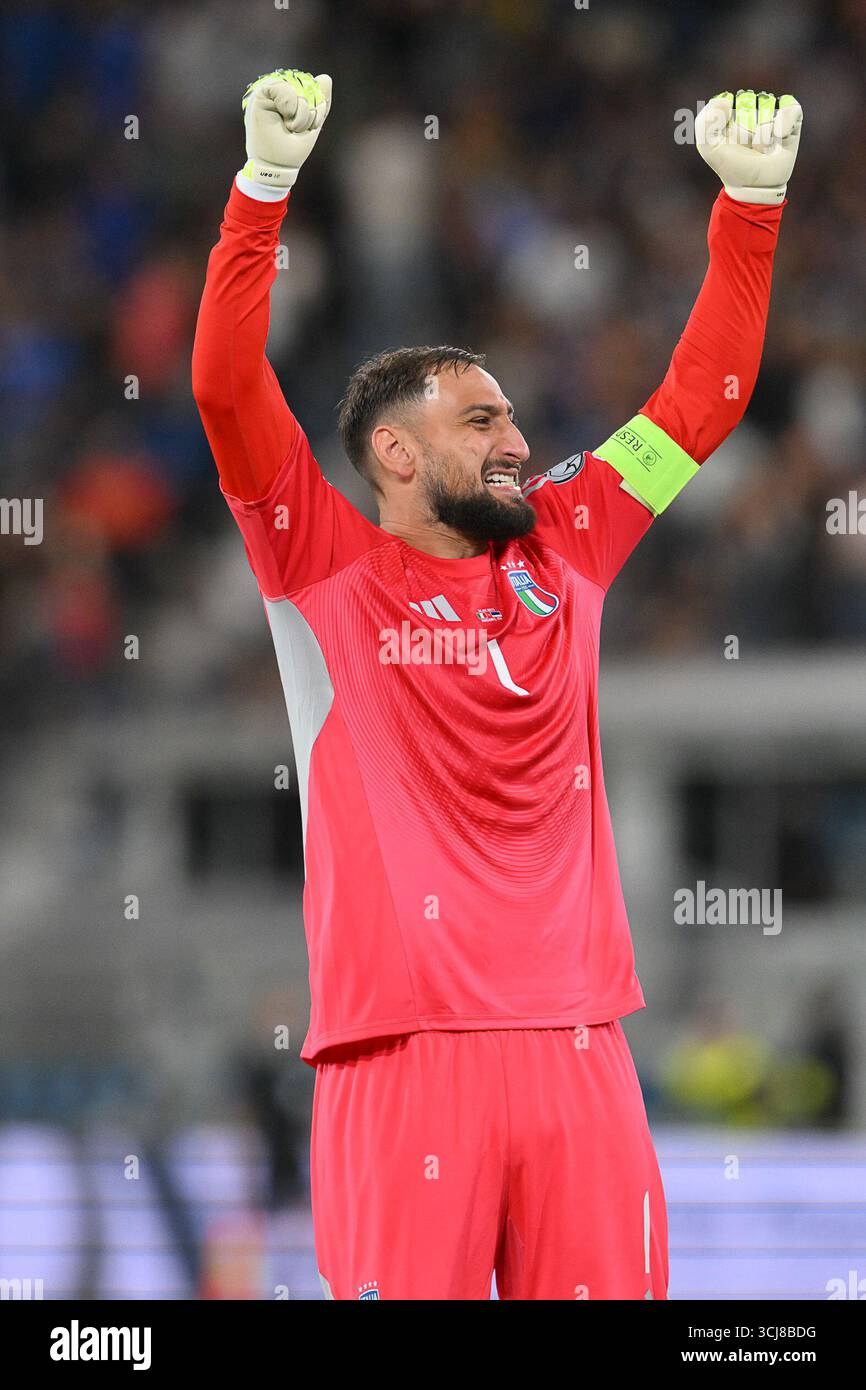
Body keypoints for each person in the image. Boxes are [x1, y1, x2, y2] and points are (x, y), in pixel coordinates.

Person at [192, 70, 802, 1300]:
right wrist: (258, 195)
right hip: (398, 1053)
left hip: (580, 1046)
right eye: (479, 420)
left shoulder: (570, 536)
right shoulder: (320, 565)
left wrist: (751, 209)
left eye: (513, 415)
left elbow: (705, 399)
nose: (516, 439)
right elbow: (220, 384)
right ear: (393, 452)